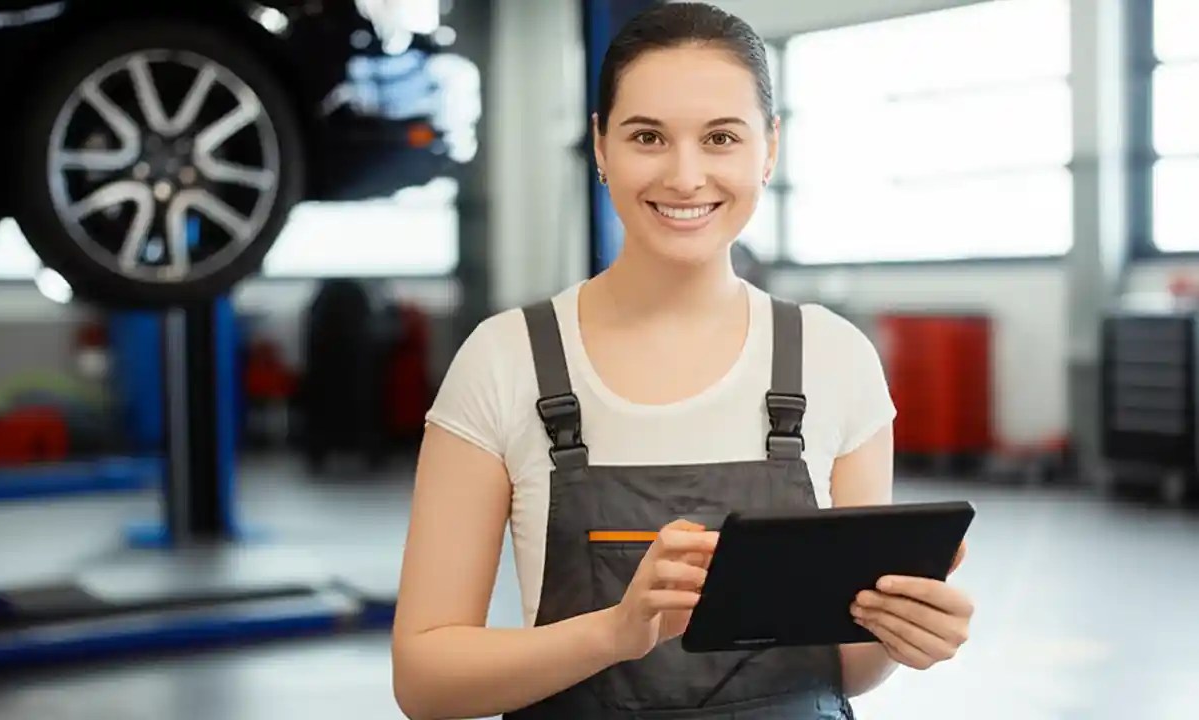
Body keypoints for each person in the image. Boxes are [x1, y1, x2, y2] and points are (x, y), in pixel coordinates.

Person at [391, 4, 974, 718]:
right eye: (647, 137)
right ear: (601, 147)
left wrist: (900, 631)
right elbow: (424, 678)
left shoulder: (834, 360)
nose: (686, 175)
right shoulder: (505, 361)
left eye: (721, 137)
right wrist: (612, 633)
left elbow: (843, 669)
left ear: (769, 149)